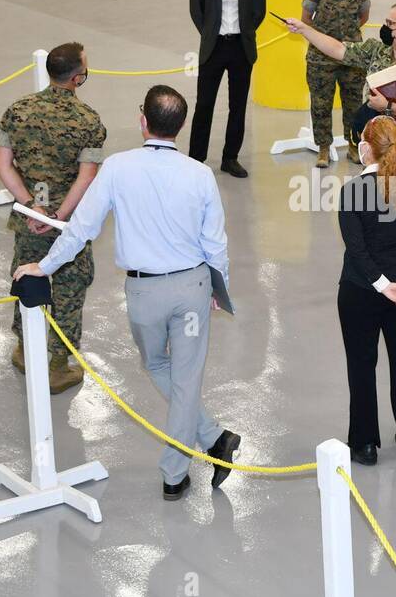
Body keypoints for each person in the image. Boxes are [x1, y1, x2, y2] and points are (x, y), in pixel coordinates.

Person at [14, 86, 240, 502]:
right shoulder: (200, 174)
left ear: (143, 122)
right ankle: (208, 442)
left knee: (156, 364)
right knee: (186, 378)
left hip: (142, 291)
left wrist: (42, 267)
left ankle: (179, 468)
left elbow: (82, 228)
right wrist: (217, 287)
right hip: (192, 287)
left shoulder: (117, 168)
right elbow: (216, 243)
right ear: (182, 126)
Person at [0, 41, 105, 394]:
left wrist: (31, 205)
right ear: (77, 78)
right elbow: (85, 177)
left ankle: (25, 351)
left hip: (29, 220)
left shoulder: (17, 111)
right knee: (70, 288)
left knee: (26, 276)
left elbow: (2, 165)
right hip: (66, 225)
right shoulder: (87, 120)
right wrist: (57, 215)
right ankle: (58, 366)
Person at [337, 116, 396, 465]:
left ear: (366, 149)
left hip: (361, 291)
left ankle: (364, 443)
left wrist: (382, 287)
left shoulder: (353, 192)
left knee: (361, 364)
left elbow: (357, 249)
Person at [285, 3, 396, 185]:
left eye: (391, 23)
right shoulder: (376, 51)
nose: (386, 27)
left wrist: (388, 106)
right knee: (375, 207)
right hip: (373, 152)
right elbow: (338, 50)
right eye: (386, 21)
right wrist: (305, 29)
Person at [188, 0, 267, 178]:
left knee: (238, 106)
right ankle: (196, 158)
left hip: (240, 49)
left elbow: (259, 10)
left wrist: (243, 31)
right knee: (204, 104)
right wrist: (210, 32)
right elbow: (196, 8)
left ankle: (230, 158)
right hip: (214, 47)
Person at [303, 0, 370, 168]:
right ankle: (323, 148)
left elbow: (363, 16)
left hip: (352, 57)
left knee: (353, 103)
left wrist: (346, 37)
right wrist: (324, 38)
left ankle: (353, 146)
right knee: (321, 103)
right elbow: (306, 20)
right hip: (320, 58)